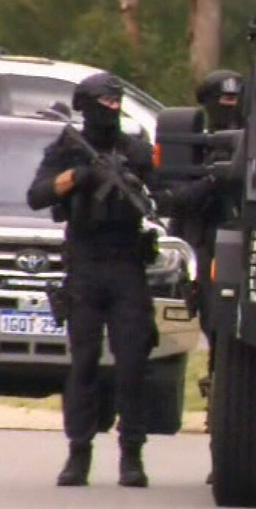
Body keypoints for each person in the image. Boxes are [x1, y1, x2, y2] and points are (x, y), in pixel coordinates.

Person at [27, 72, 162, 488]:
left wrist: (141, 187)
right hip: (84, 263)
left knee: (133, 364)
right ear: (85, 105)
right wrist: (77, 179)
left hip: (126, 263)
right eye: (103, 102)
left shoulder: (135, 150)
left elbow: (164, 196)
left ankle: (131, 456)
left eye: (115, 101)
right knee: (83, 363)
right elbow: (37, 195)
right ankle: (78, 454)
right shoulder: (67, 148)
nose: (111, 109)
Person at [159, 69, 244, 484]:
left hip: (248, 250)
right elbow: (174, 200)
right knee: (219, 346)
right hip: (206, 250)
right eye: (221, 100)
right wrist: (213, 178)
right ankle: (220, 447)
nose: (228, 106)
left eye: (234, 100)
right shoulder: (193, 147)